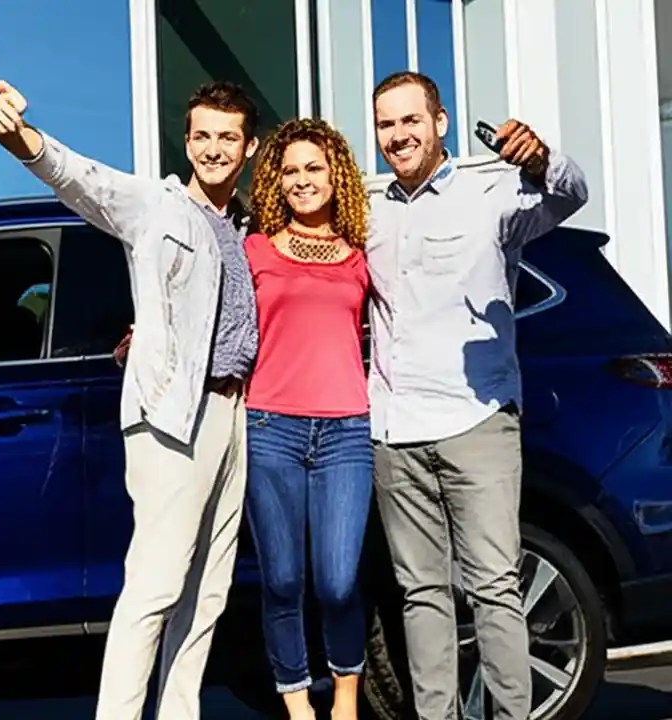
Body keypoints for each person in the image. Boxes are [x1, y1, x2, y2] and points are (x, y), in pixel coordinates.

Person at [0, 78, 259, 720]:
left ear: (248, 147)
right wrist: (22, 139)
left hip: (235, 411)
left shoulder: (245, 225)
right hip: (173, 415)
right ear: (186, 141)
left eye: (227, 137)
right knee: (156, 586)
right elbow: (83, 180)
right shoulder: (156, 206)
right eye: (202, 136)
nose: (213, 149)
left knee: (208, 590)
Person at [366, 70, 588, 720]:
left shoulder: (490, 191)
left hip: (477, 422)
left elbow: (570, 195)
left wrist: (542, 159)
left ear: (440, 123)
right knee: (421, 596)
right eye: (385, 124)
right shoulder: (369, 206)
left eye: (411, 120)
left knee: (493, 587)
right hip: (394, 431)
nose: (398, 135)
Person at [240, 118, 373, 720]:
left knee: (338, 581)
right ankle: (297, 705)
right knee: (283, 580)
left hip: (347, 430)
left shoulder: (362, 254)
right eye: (290, 170)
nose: (301, 180)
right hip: (272, 428)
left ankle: (345, 698)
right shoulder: (256, 249)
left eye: (313, 168)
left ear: (335, 175)